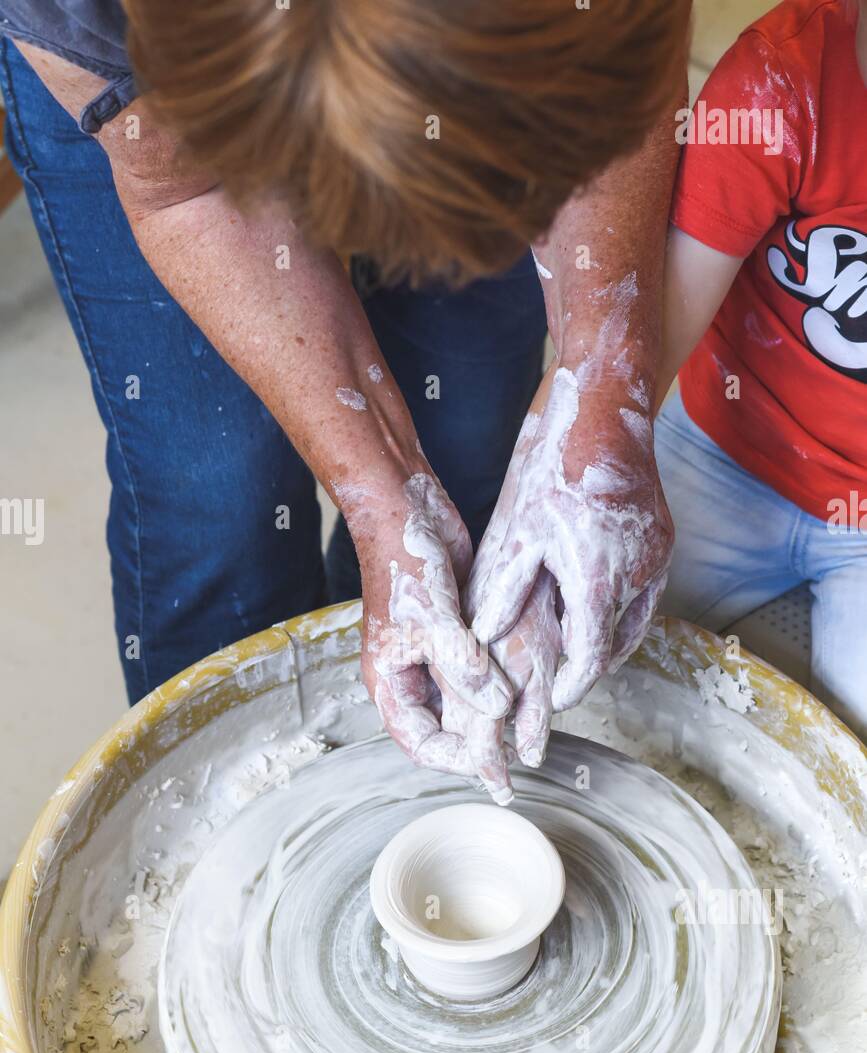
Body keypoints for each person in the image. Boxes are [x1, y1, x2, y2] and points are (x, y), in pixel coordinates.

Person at [0, 0, 688, 801]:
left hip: (498, 57)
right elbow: (185, 191)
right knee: (219, 489)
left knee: (468, 429)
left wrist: (604, 401)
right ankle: (243, 825)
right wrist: (377, 502)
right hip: (153, 94)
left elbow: (621, 77)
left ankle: (423, 771)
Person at [656, 0, 867, 742]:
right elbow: (659, 325)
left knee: (852, 761)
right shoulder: (781, 78)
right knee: (582, 655)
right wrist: (572, 470)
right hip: (722, 450)